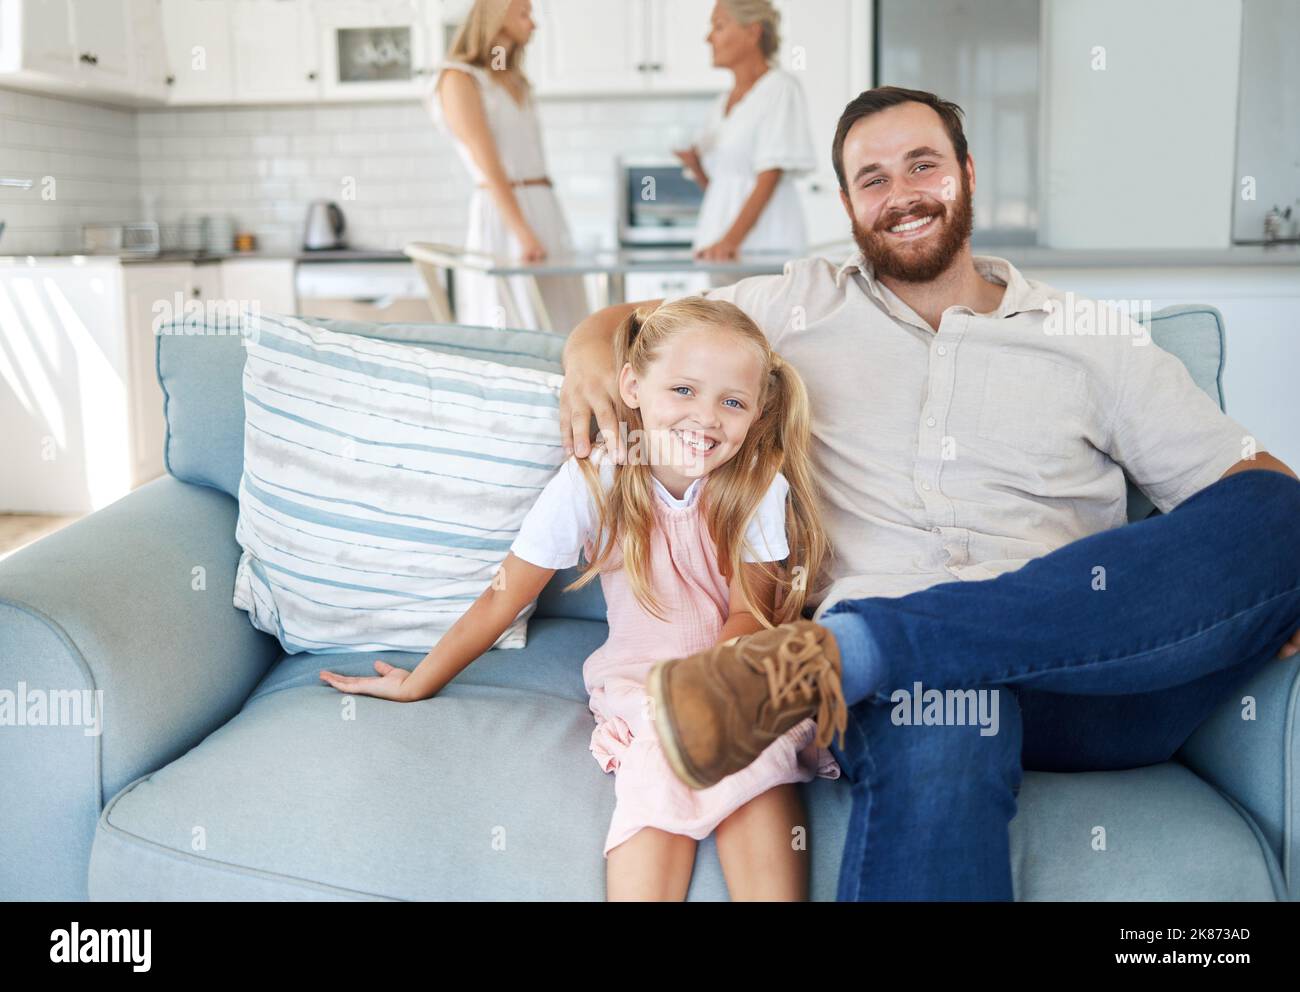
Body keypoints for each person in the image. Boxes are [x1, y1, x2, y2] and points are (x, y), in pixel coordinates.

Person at [559, 85, 1300, 900]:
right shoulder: (798, 306)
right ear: (845, 204)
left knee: (1281, 511)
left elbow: (1249, 492)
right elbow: (629, 325)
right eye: (872, 178)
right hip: (917, 696)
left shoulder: (1090, 339)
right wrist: (589, 355)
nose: (902, 192)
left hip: (1090, 676)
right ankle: (871, 654)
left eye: (924, 165)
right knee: (949, 716)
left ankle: (854, 652)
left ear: (968, 174)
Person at [320, 297, 843, 901]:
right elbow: (502, 597)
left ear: (755, 414)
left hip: (738, 666)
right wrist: (419, 682)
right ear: (632, 385)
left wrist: (715, 689)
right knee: (657, 761)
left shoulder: (756, 484)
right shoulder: (595, 479)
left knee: (756, 760)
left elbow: (748, 612)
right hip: (642, 680)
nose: (706, 418)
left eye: (732, 402)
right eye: (683, 389)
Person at [424, 0, 589, 332]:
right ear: (496, 16)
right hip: (503, 214)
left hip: (543, 205)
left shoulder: (517, 82)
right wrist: (523, 233)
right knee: (512, 316)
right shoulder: (459, 79)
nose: (533, 24)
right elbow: (489, 165)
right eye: (524, 14)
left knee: (560, 315)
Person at [675, 0, 816, 277]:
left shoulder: (779, 89)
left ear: (753, 32)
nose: (708, 38)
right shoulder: (720, 105)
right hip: (717, 249)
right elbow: (721, 189)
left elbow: (770, 174)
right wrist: (695, 166)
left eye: (719, 26)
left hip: (760, 248)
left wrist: (730, 242)